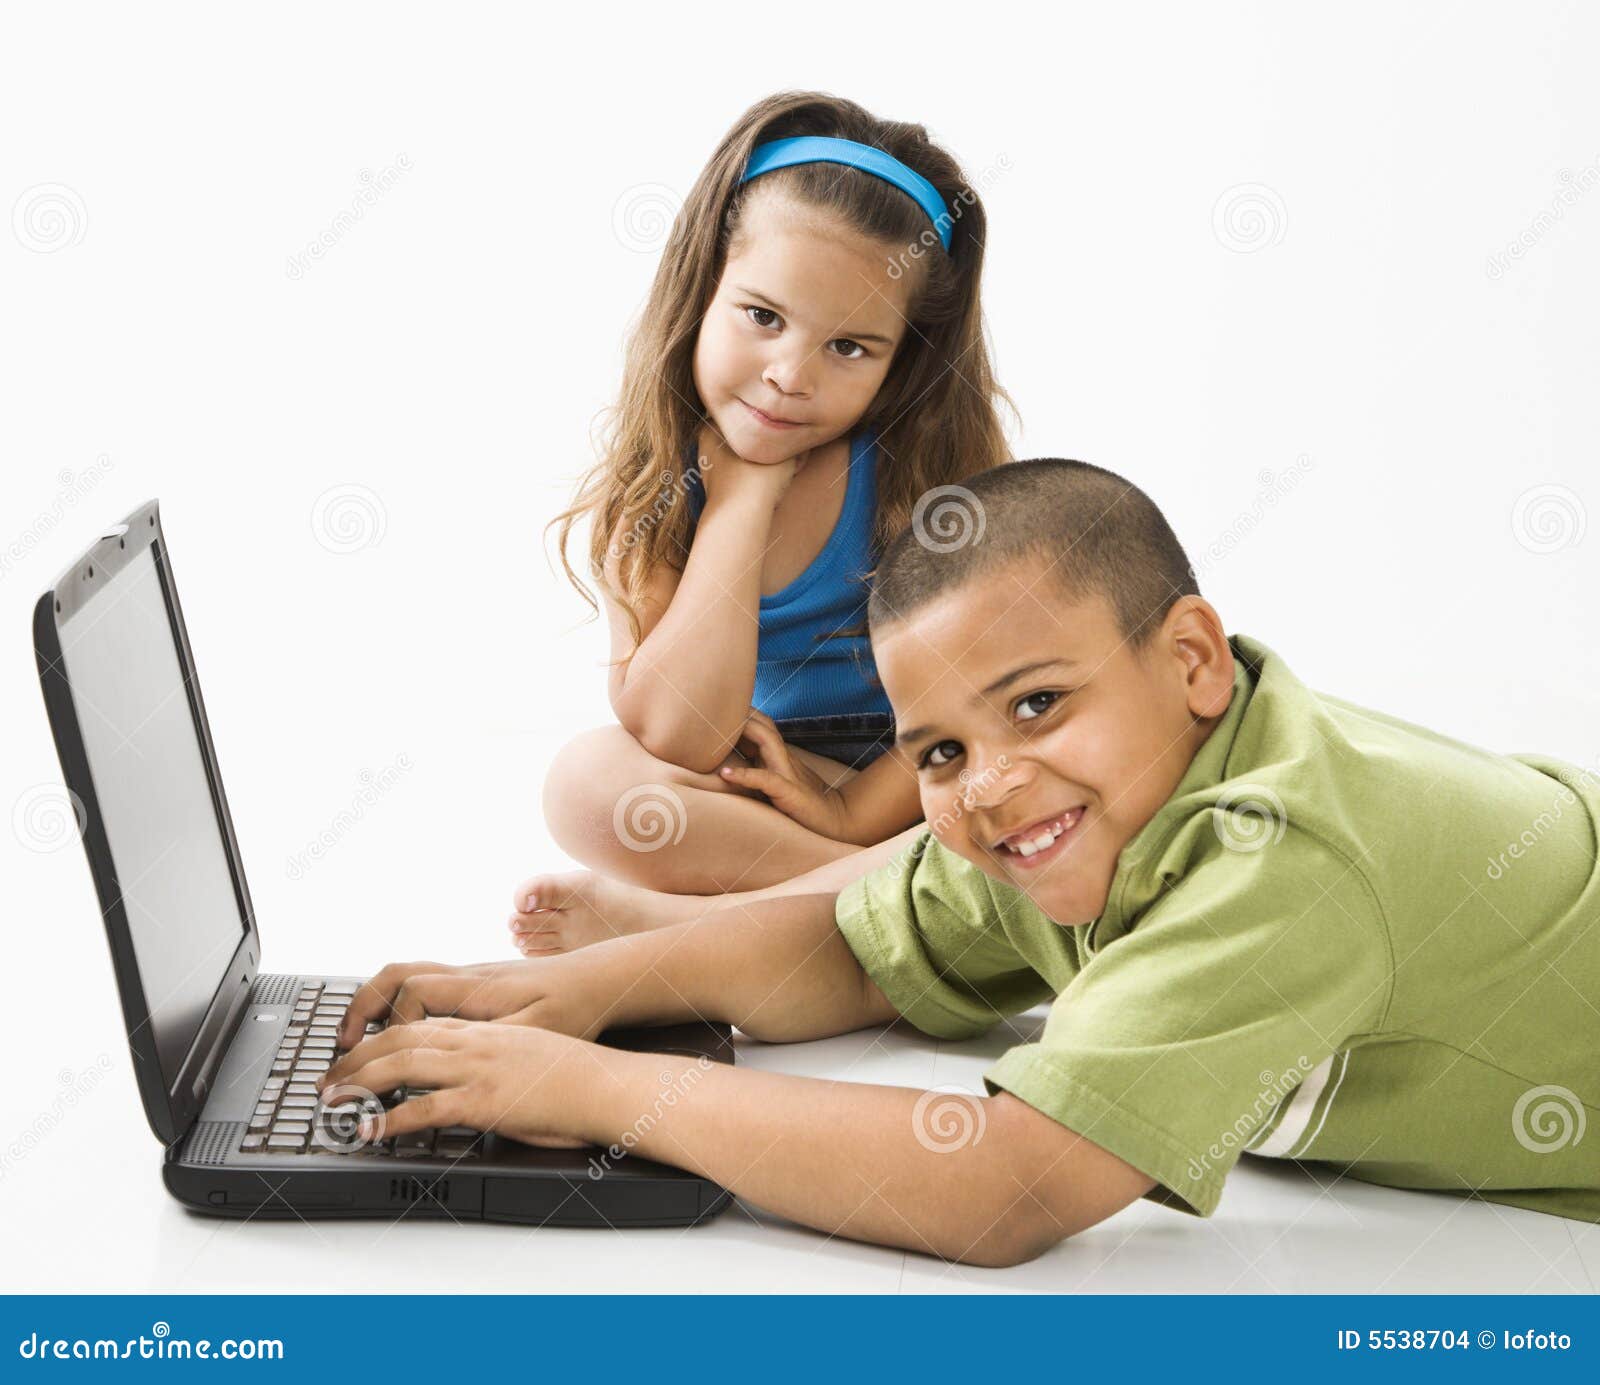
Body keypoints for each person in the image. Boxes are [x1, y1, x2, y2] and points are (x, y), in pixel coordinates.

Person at [322, 458, 1600, 1265]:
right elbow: (862, 944)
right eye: (934, 748)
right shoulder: (1097, 794)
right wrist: (592, 995)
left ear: (1194, 659)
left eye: (1038, 703)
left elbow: (1006, 1184)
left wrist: (600, 1096)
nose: (987, 782)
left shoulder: (1281, 861)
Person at [514, 90, 1016, 954]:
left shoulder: (928, 476)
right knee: (586, 784)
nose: (790, 374)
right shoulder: (653, 489)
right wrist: (742, 503)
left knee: (1016, 788)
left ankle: (702, 927)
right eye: (764, 317)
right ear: (702, 289)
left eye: (849, 347)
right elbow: (680, 733)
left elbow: (982, 701)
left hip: (924, 776)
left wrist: (857, 812)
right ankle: (886, 893)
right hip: (769, 772)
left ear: (902, 364)